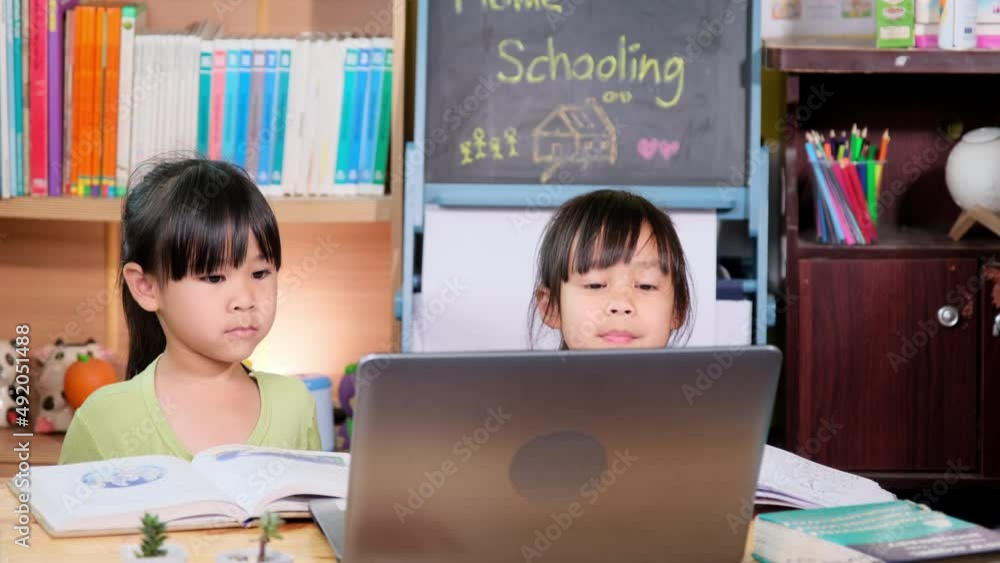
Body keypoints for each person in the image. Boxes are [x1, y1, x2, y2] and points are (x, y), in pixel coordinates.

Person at [59, 159, 322, 464]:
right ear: (146, 287)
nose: (245, 299)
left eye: (260, 273)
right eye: (214, 277)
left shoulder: (295, 405)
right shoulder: (103, 421)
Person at [530, 189, 693, 350]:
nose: (621, 304)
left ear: (678, 308)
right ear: (551, 308)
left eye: (646, 285)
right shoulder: (514, 378)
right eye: (595, 285)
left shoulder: (694, 377)